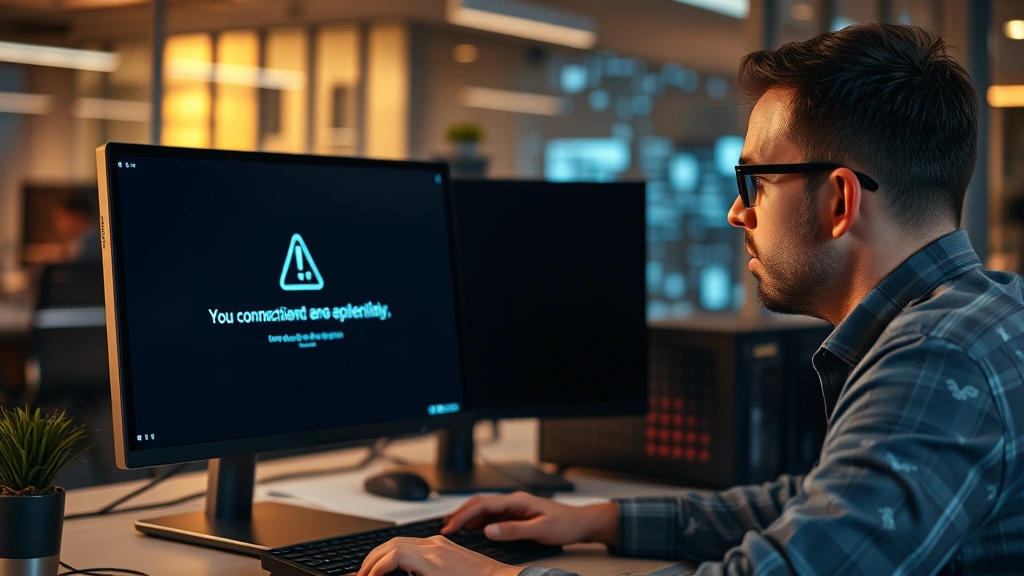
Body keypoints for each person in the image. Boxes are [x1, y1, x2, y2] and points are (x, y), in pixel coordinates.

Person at [357, 23, 1024, 576]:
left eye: (753, 181)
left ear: (839, 201)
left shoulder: (937, 356)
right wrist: (600, 518)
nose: (737, 213)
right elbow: (826, 505)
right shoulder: (984, 314)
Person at [51, 193, 100, 263]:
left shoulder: (91, 246)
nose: (56, 225)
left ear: (77, 217)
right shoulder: (78, 244)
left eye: (60, 219)